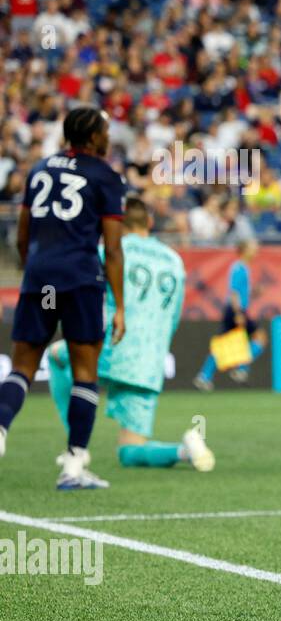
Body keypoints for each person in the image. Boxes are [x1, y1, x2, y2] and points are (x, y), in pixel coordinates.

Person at [0, 107, 126, 488]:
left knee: (23, 365)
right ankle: (74, 466)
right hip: (80, 281)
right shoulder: (104, 175)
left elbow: (23, 234)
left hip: (43, 281)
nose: (108, 137)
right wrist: (120, 305)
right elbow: (114, 248)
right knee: (85, 372)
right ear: (92, 137)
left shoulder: (39, 169)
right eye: (104, 131)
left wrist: (36, 271)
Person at [47, 197, 214, 471]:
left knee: (55, 355)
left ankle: (76, 446)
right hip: (149, 362)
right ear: (149, 222)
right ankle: (185, 449)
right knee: (131, 450)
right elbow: (174, 316)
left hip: (110, 347)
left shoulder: (109, 250)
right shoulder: (174, 260)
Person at [194, 238, 267, 390]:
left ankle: (205, 375)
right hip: (235, 310)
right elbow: (233, 293)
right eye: (252, 247)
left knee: (225, 344)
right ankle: (240, 368)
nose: (256, 250)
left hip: (237, 309)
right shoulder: (239, 267)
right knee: (259, 338)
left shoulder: (244, 268)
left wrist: (254, 293)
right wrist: (238, 312)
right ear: (244, 250)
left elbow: (241, 293)